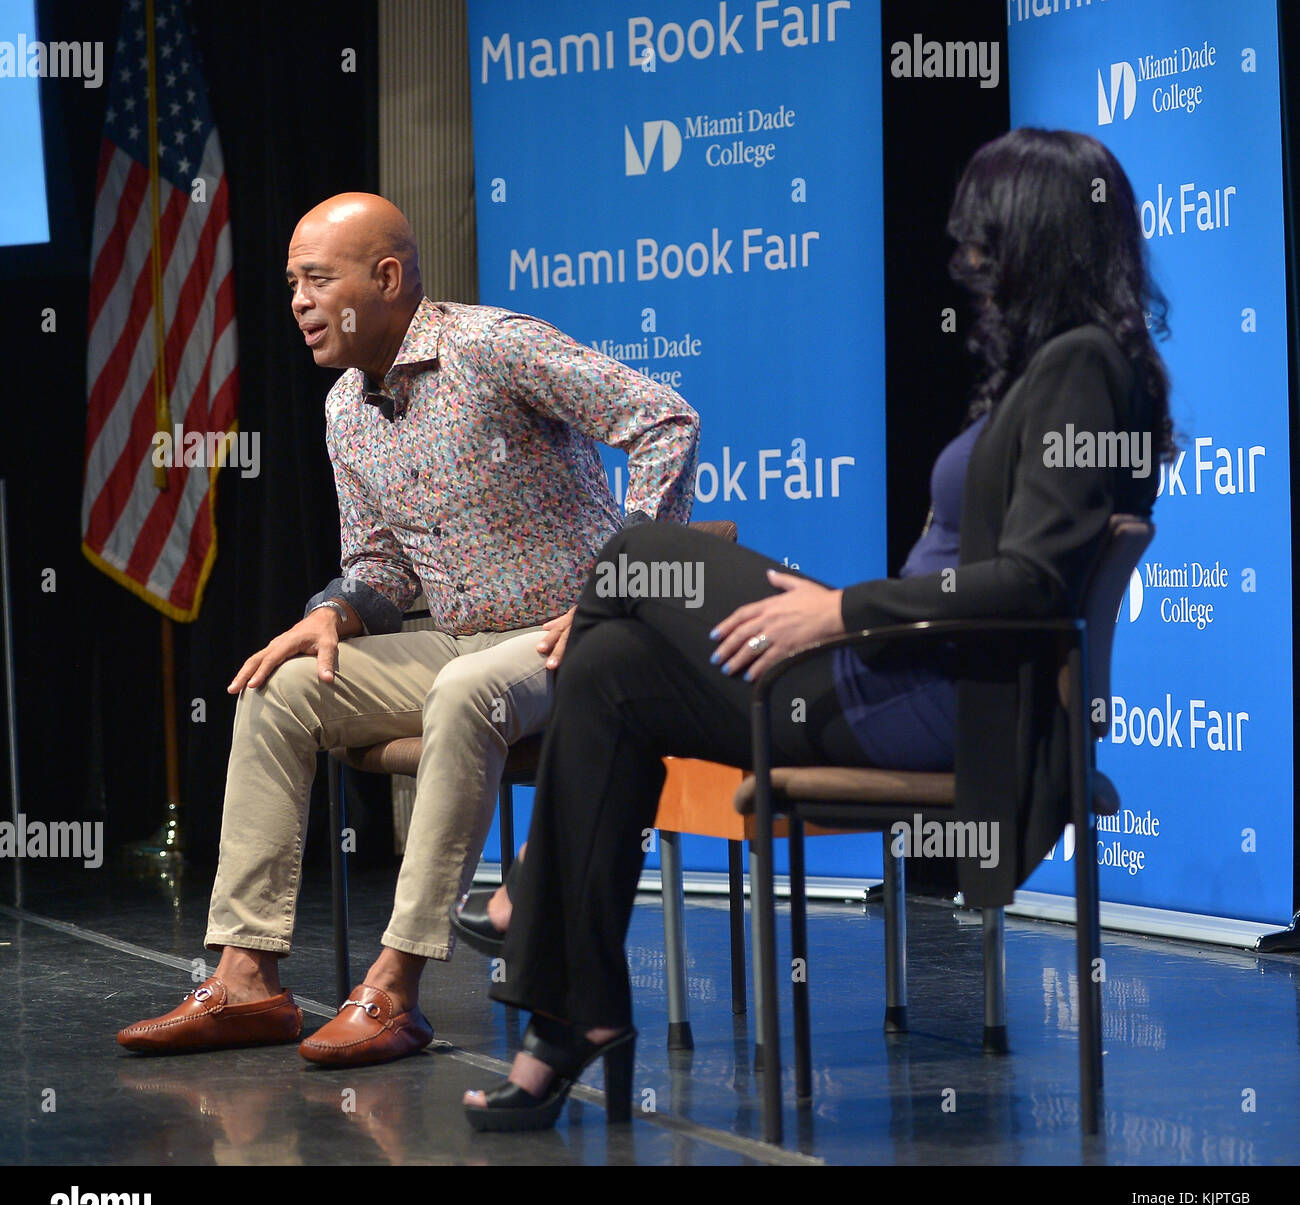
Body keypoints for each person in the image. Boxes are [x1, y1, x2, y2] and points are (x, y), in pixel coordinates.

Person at [457, 128, 1174, 1130]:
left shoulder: (1084, 367)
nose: (966, 255)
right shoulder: (1070, 364)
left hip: (935, 701)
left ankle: (535, 928)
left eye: (984, 232)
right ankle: (570, 1016)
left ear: (1038, 235)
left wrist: (838, 610)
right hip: (897, 677)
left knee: (627, 561)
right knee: (610, 668)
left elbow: (1035, 583)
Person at [116, 193, 699, 1066]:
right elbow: (381, 565)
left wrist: (618, 590)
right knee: (278, 688)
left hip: (573, 642)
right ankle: (246, 980)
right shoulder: (345, 409)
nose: (299, 302)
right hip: (462, 640)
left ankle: (395, 989)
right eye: (290, 284)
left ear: (386, 278)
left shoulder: (493, 346)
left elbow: (664, 420)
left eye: (318, 279)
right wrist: (331, 614)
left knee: (468, 689)